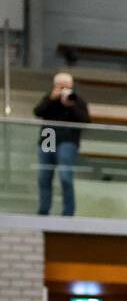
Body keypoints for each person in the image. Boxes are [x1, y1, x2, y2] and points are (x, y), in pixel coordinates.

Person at [33, 72, 91, 217]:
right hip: (49, 137)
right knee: (44, 176)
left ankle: (68, 212)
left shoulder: (77, 100)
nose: (63, 89)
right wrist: (52, 99)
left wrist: (70, 105)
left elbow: (85, 120)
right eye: (60, 86)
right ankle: (43, 210)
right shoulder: (49, 98)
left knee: (65, 176)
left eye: (66, 86)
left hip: (68, 139)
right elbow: (38, 112)